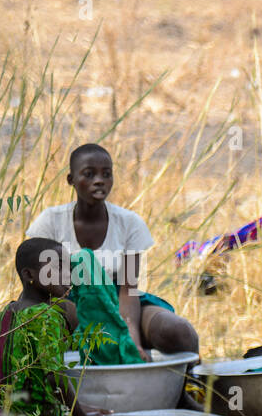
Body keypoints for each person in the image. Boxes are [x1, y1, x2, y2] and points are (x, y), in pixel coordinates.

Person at [27, 143, 199, 362]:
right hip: (70, 303)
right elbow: (43, 288)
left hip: (121, 303)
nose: (99, 180)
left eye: (106, 174)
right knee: (81, 327)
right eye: (89, 174)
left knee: (177, 330)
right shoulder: (50, 222)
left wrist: (132, 340)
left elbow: (129, 290)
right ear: (71, 180)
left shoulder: (129, 223)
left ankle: (189, 386)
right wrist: (92, 311)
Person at [0, 238, 109, 416]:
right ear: (29, 274)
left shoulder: (8, 311)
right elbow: (53, 376)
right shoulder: (47, 317)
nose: (67, 275)